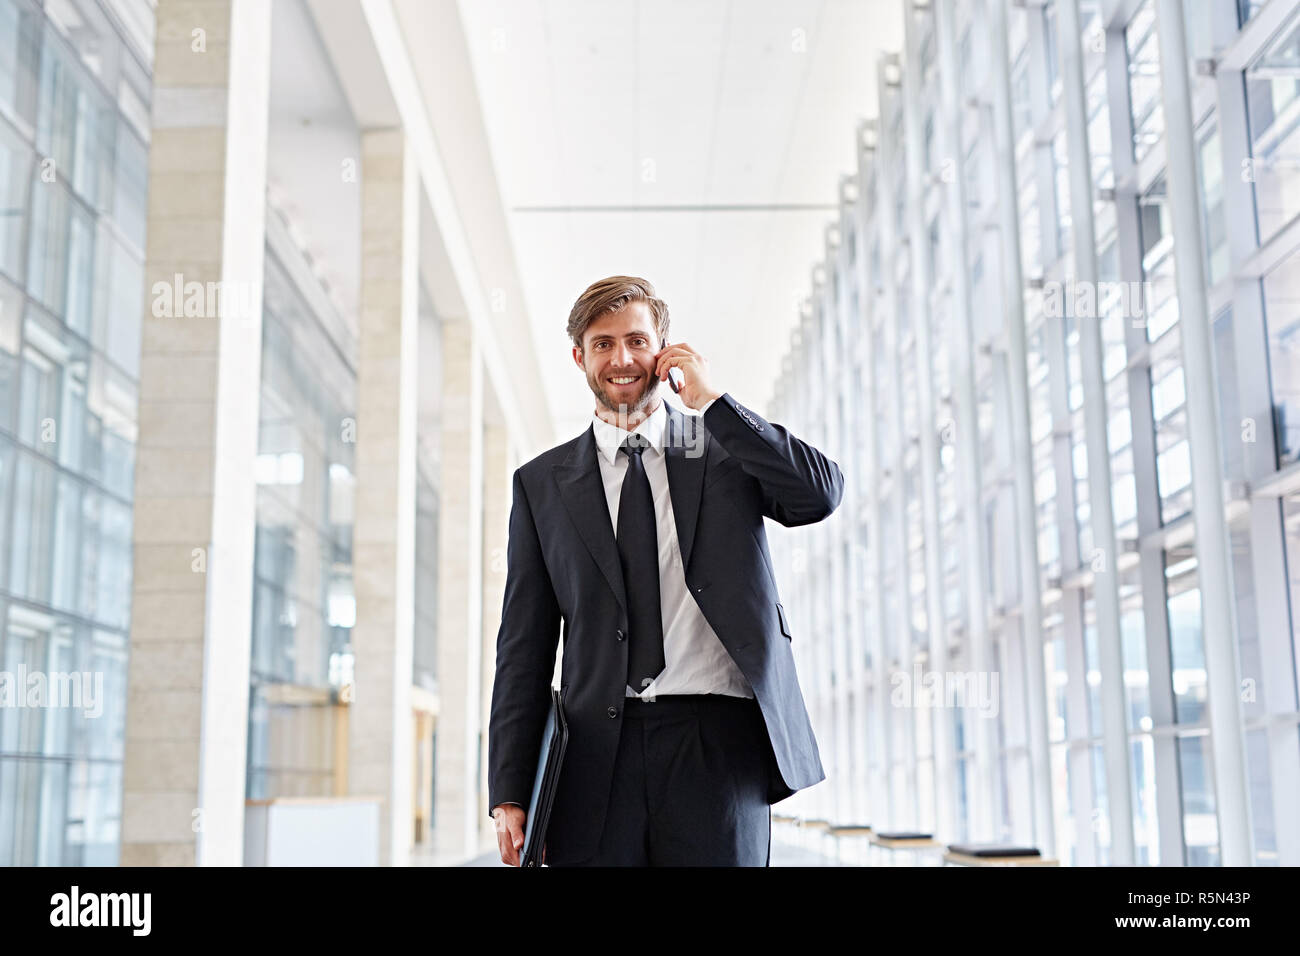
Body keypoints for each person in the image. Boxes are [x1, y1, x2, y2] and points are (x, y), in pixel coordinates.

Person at [488, 275, 844, 866]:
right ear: (580, 357)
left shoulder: (726, 448)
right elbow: (523, 645)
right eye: (602, 344)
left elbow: (818, 494)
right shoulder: (541, 484)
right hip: (594, 752)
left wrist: (714, 404)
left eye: (636, 340)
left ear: (664, 350)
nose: (622, 359)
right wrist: (509, 787)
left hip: (718, 747)